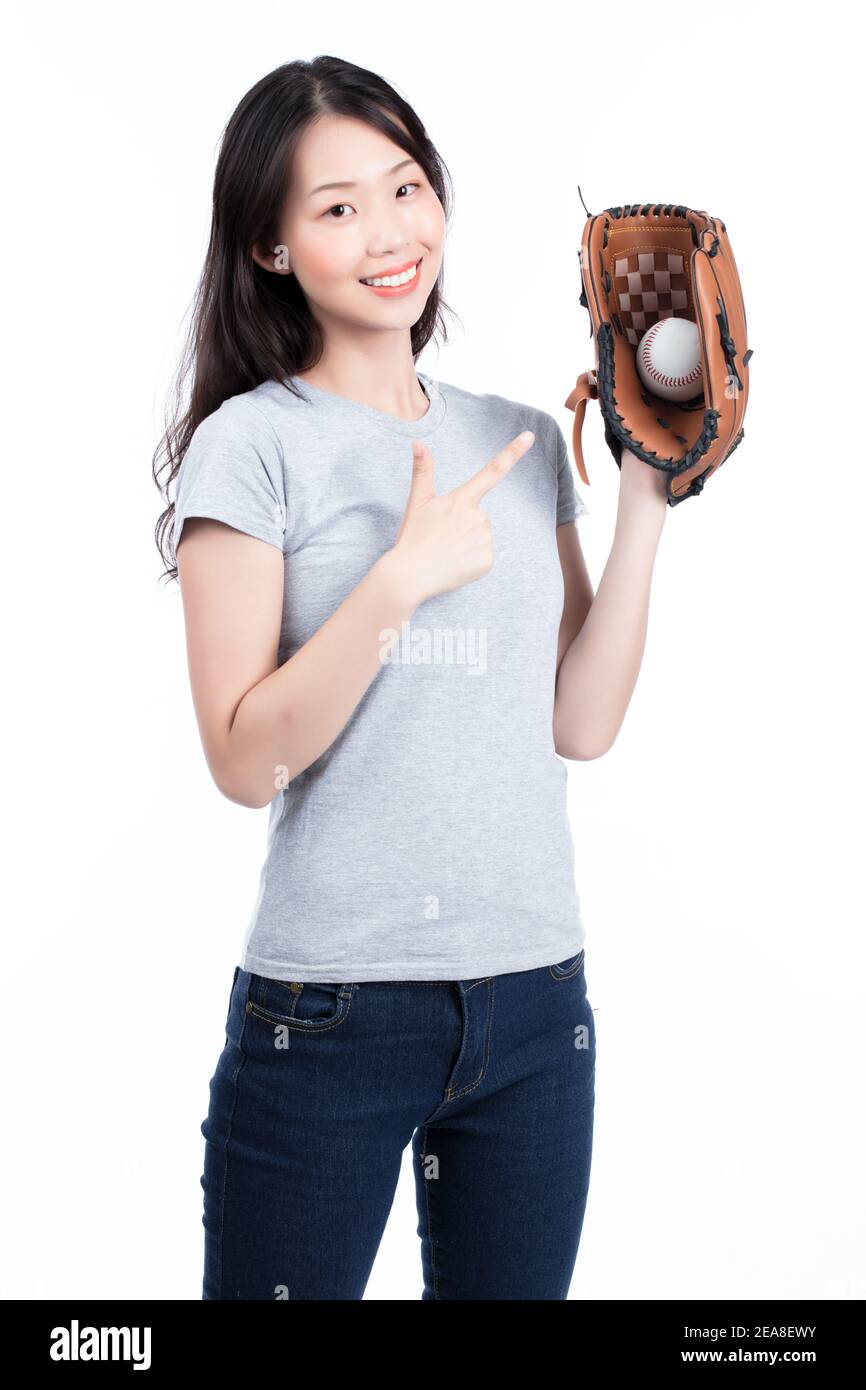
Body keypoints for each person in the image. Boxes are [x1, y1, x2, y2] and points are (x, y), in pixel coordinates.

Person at [154, 55, 668, 1301]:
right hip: (326, 1016)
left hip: (536, 1007)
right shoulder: (252, 448)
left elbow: (579, 723)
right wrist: (392, 586)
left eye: (405, 187)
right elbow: (241, 759)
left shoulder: (519, 438)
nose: (389, 235)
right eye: (335, 208)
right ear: (270, 246)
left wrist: (645, 493)